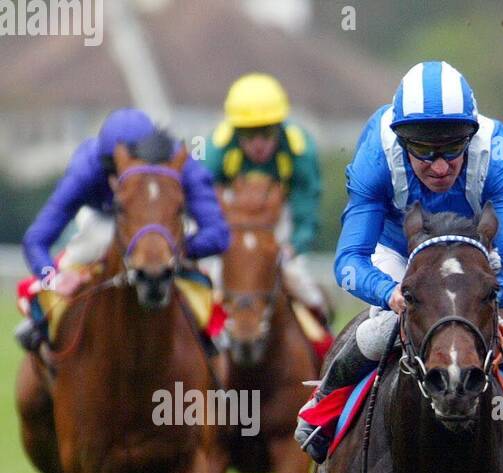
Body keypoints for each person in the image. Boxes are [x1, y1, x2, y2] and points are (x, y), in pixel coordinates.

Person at [295, 60, 503, 463]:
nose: (440, 166)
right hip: (401, 253)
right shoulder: (376, 153)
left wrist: (491, 293)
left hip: (476, 253)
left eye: (453, 149)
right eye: (424, 152)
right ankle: (324, 408)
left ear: (471, 136)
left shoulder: (498, 152)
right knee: (382, 328)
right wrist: (388, 291)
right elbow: (350, 260)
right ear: (401, 141)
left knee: (496, 327)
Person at [17, 108, 229, 352]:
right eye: (113, 169)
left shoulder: (182, 164)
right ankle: (41, 328)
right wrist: (52, 277)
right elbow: (36, 240)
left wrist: (174, 249)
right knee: (86, 248)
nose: (121, 178)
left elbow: (218, 233)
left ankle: (211, 333)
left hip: (164, 225)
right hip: (103, 222)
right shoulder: (85, 168)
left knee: (203, 272)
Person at [204, 73, 329, 325]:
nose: (258, 144)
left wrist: (295, 245)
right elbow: (204, 201)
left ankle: (324, 336)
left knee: (300, 283)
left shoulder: (299, 149)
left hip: (280, 220)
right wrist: (217, 240)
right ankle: (210, 344)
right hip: (231, 223)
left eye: (266, 132)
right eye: (249, 134)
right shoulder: (217, 148)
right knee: (212, 280)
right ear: (236, 131)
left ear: (279, 127)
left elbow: (306, 207)